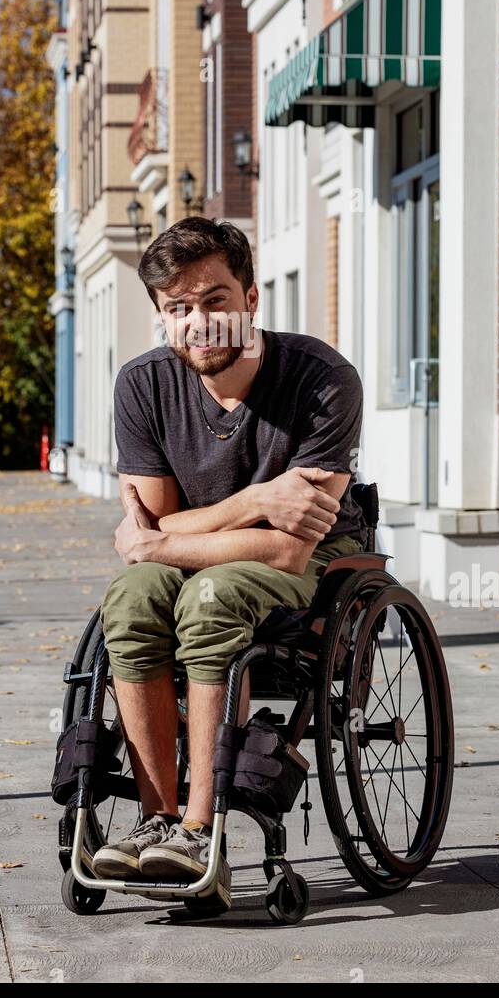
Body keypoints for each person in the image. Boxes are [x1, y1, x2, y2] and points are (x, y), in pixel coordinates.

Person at [91, 217, 365, 906]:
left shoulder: (322, 380)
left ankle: (199, 827)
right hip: (204, 553)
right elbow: (150, 531)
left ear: (250, 300)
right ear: (162, 317)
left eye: (214, 301)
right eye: (178, 309)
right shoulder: (143, 386)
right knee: (130, 599)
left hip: (317, 555)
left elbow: (287, 545)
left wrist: (168, 539)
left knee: (211, 597)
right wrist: (259, 499)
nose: (199, 323)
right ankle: (155, 819)